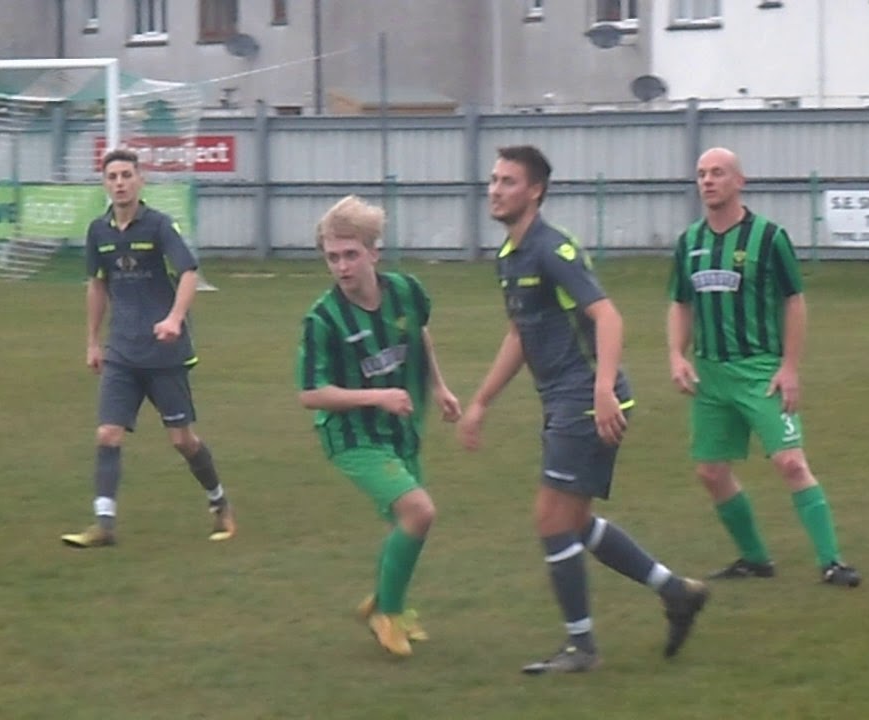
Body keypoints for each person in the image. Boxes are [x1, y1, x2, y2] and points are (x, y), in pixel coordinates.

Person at [457, 145, 709, 675]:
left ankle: (582, 649)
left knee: (552, 518)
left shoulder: (553, 250)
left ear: (535, 191)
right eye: (494, 180)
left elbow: (608, 316)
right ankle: (676, 592)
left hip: (585, 398)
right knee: (571, 520)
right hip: (565, 398)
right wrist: (481, 401)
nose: (495, 189)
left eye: (508, 181)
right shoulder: (510, 257)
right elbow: (521, 335)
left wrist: (601, 391)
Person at [666, 146, 861, 587]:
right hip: (711, 375)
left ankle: (832, 561)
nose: (707, 181)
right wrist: (677, 354)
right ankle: (755, 559)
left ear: (740, 181)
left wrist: (789, 367)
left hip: (761, 370)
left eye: (717, 173)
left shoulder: (769, 238)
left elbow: (795, 301)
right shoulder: (690, 241)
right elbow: (680, 303)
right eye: (701, 174)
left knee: (791, 462)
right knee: (710, 471)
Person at [296, 195, 461, 658]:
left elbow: (418, 335)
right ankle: (388, 615)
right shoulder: (323, 319)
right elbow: (310, 393)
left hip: (402, 431)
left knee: (408, 523)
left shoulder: (407, 291)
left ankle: (388, 606)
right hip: (351, 438)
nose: (342, 267)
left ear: (374, 252)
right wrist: (377, 396)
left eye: (351, 254)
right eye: (333, 257)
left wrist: (441, 388)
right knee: (419, 512)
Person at [60, 148, 235, 548]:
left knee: (182, 441)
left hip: (163, 353)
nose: (119, 182)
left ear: (140, 181)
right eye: (112, 176)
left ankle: (219, 501)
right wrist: (92, 341)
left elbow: (189, 273)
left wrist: (174, 318)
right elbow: (97, 285)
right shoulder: (98, 232)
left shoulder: (158, 227)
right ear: (105, 184)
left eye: (126, 175)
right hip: (121, 351)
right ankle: (104, 524)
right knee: (107, 434)